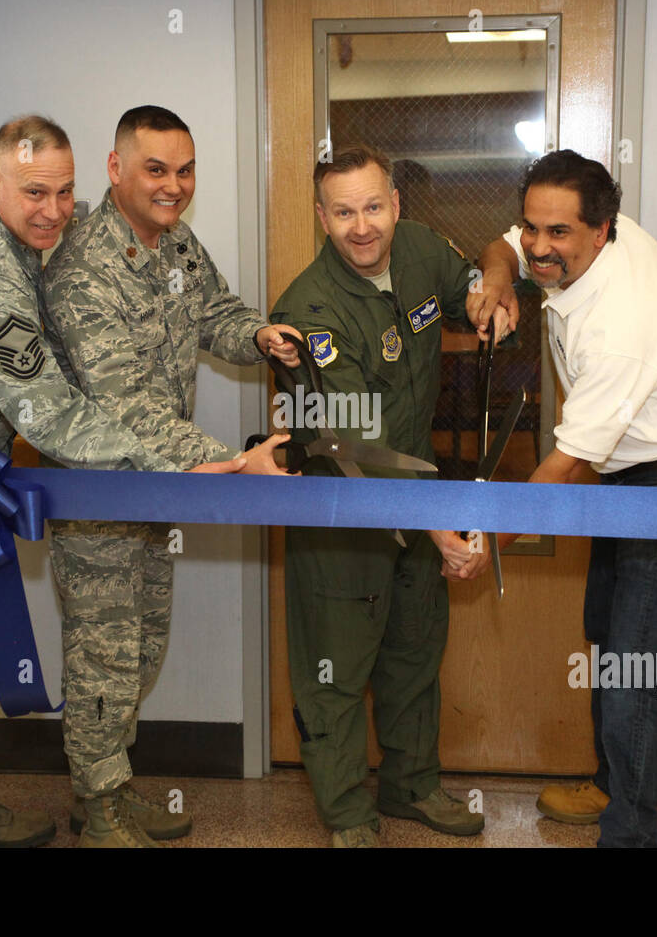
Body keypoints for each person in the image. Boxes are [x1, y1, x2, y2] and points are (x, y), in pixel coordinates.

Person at [0, 115, 261, 848]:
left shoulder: (15, 222)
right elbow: (50, 413)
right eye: (36, 192)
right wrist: (174, 462)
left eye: (64, 192)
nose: (56, 211)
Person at [40, 106, 302, 848]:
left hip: (160, 491)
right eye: (156, 169)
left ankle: (113, 789)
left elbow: (213, 309)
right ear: (116, 168)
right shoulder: (81, 267)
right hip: (101, 493)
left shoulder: (175, 241)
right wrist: (227, 463)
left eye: (185, 170)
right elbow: (122, 405)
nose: (174, 186)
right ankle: (97, 810)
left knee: (142, 648)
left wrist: (256, 334)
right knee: (103, 655)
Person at [475, 149, 657, 847]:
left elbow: (564, 466)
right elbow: (502, 248)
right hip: (626, 470)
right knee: (606, 636)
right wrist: (501, 283)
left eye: (558, 234)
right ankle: (611, 785)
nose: (539, 246)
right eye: (534, 226)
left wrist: (479, 538)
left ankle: (630, 833)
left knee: (635, 662)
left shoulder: (622, 331)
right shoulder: (596, 232)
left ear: (601, 231)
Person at [269, 142, 507, 848]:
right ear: (322, 217)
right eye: (343, 212)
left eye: (374, 206)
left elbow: (484, 267)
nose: (362, 226)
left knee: (412, 652)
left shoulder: (422, 250)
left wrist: (490, 293)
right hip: (343, 508)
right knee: (335, 670)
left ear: (396, 205)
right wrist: (439, 525)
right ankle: (346, 813)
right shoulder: (309, 309)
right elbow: (349, 441)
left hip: (419, 489)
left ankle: (410, 787)